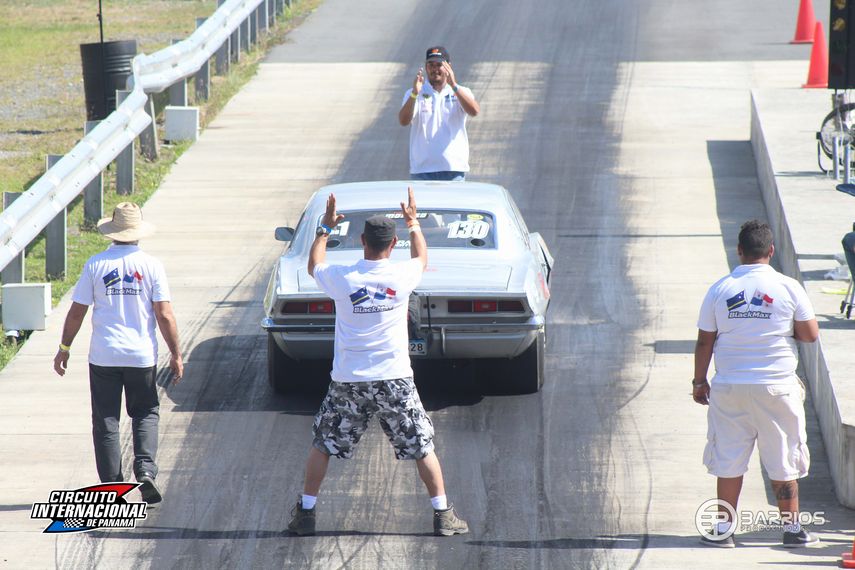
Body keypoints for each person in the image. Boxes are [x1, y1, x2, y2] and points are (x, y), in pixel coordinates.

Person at [287, 187, 469, 537]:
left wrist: (324, 229)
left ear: (361, 240)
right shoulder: (402, 276)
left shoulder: (342, 278)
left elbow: (314, 265)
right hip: (395, 377)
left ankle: (306, 513)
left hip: (348, 379)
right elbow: (422, 258)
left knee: (324, 442)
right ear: (392, 242)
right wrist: (414, 223)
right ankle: (443, 515)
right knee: (421, 445)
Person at [693, 220, 820, 548]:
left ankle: (723, 530)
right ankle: (792, 531)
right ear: (771, 251)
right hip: (777, 386)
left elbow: (705, 342)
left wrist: (699, 382)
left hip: (730, 386)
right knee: (783, 457)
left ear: (739, 251)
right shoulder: (788, 287)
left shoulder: (719, 289)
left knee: (729, 459)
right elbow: (809, 334)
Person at [53, 202, 182, 505]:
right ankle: (146, 470)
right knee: (146, 412)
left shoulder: (95, 264)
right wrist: (176, 353)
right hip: (140, 356)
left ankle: (112, 486)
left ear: (112, 232)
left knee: (106, 419)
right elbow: (164, 315)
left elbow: (76, 313)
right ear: (139, 233)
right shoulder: (152, 266)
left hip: (104, 356)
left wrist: (64, 348)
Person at [398, 46, 480, 181]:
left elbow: (474, 111)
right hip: (422, 170)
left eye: (439, 65)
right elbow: (403, 121)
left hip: (453, 169)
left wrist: (454, 86)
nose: (435, 69)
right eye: (431, 65)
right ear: (425, 67)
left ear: (448, 67)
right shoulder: (414, 92)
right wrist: (414, 94)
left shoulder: (461, 91)